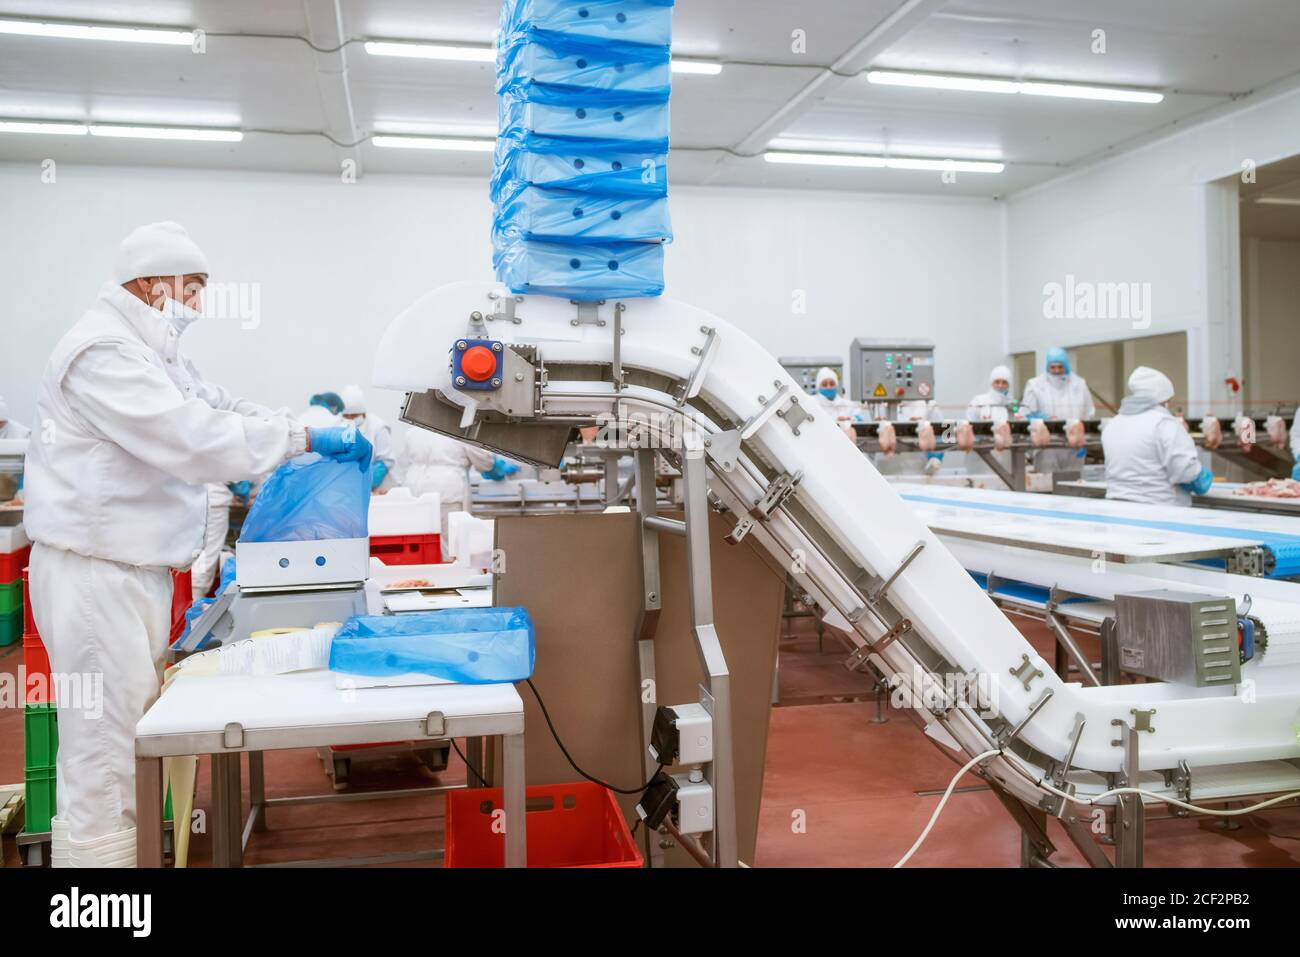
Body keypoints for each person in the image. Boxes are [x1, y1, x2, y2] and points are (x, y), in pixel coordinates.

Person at [21, 221, 370, 866]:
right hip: (95, 579)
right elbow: (190, 435)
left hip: (131, 574)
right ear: (154, 285)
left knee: (125, 743)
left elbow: (220, 405)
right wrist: (302, 440)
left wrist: (301, 428)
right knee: (103, 758)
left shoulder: (154, 354)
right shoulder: (102, 352)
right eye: (194, 289)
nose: (201, 305)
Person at [1101, 366, 1211, 506]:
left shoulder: (1113, 424)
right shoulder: (1165, 424)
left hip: (1116, 509)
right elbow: (1186, 472)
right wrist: (1203, 478)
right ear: (1164, 400)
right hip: (1158, 512)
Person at [396, 426, 517, 543]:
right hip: (448, 493)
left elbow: (402, 466)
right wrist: (499, 468)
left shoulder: (414, 430)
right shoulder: (462, 429)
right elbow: (485, 461)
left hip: (415, 493)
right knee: (453, 544)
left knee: (423, 542)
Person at [340, 384, 397, 493]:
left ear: (363, 412)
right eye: (347, 416)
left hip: (378, 489)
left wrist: (365, 481)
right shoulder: (339, 427)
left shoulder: (378, 427)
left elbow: (385, 461)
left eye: (354, 415)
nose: (350, 419)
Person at [813, 366, 863, 439]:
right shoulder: (813, 403)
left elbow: (860, 418)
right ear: (818, 386)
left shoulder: (847, 404)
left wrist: (850, 419)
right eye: (824, 384)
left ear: (836, 385)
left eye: (832, 384)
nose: (828, 387)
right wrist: (836, 420)